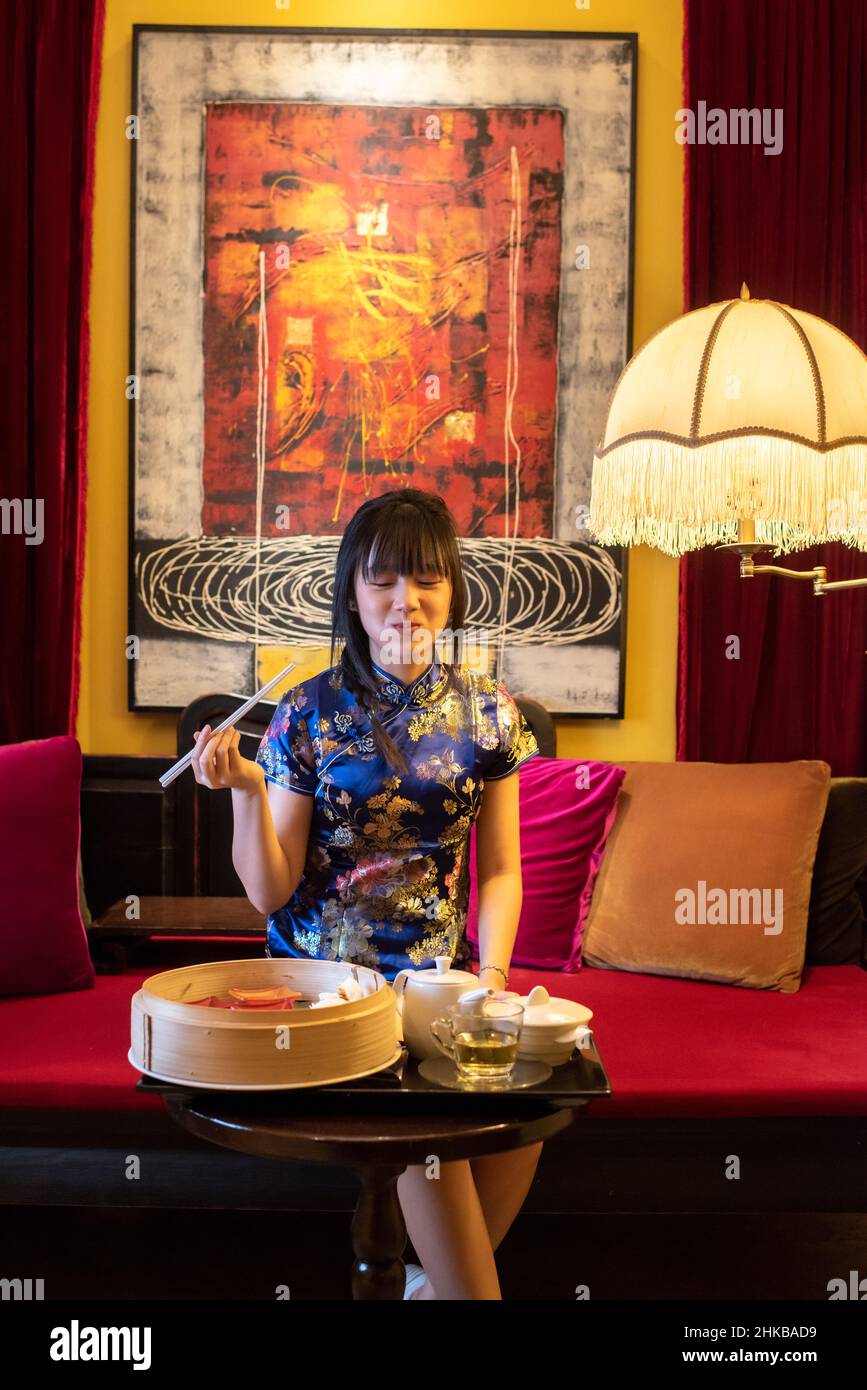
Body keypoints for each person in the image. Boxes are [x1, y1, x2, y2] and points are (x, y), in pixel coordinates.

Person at [190, 486, 543, 1299]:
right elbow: (270, 893)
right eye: (383, 580)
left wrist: (490, 982)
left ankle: (428, 1287)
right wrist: (246, 788)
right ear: (352, 590)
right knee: (424, 1119)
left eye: (425, 580)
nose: (404, 601)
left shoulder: (488, 712)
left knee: (536, 1086)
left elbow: (499, 870)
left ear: (451, 590)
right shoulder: (307, 712)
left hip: (441, 981)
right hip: (326, 985)